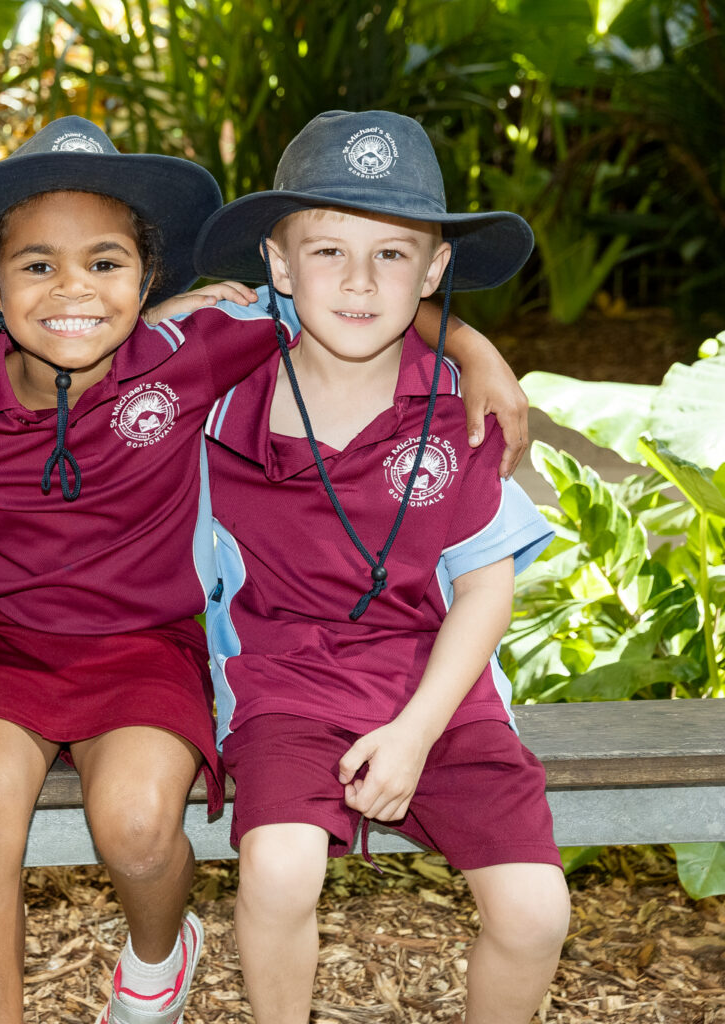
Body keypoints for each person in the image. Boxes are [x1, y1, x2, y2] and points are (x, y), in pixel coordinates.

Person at [0, 115, 527, 1024]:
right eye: (38, 266)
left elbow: (350, 295)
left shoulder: (200, 350)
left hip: (151, 644)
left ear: (148, 277)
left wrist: (475, 350)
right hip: (8, 644)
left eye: (105, 264)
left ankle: (160, 956)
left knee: (140, 825)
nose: (74, 288)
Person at [193, 109, 570, 1024]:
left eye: (394, 255)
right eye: (326, 252)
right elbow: (95, 341)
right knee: (281, 870)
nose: (359, 280)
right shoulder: (220, 390)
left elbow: (485, 585)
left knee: (536, 910)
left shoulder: (457, 407)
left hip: (436, 684)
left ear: (435, 270)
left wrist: (413, 733)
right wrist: (188, 303)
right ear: (278, 266)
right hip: (285, 682)